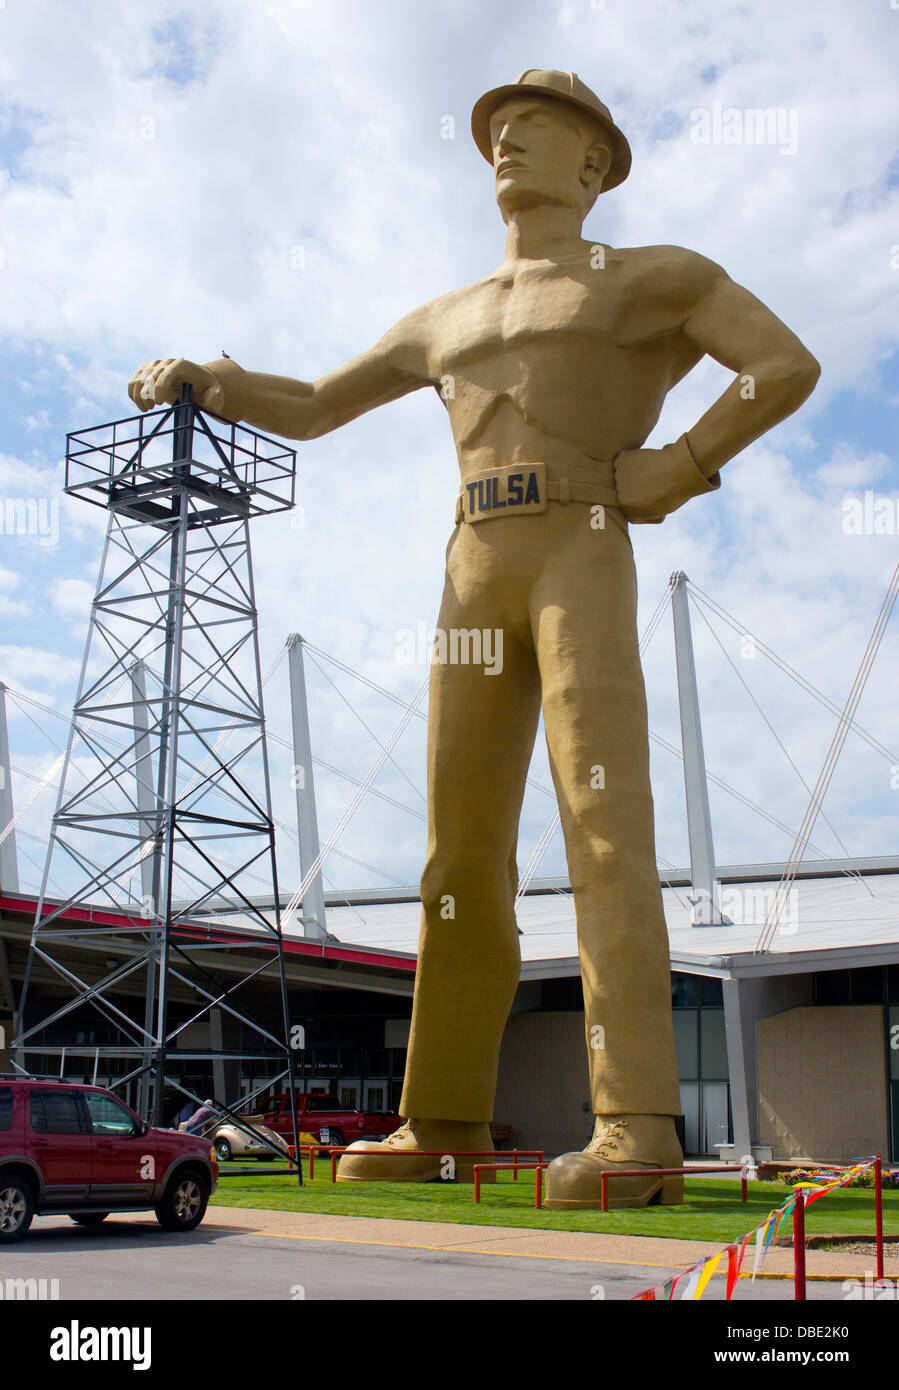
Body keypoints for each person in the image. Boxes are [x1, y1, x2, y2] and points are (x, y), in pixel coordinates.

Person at [128, 70, 819, 1207]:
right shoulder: (442, 315)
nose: (504, 142)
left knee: (602, 830)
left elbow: (782, 363)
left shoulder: (654, 277)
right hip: (468, 571)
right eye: (495, 130)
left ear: (593, 162)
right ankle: (437, 1116)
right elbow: (311, 400)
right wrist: (219, 377)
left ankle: (634, 1125)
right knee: (455, 857)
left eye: (533, 128)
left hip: (579, 547)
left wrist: (679, 467)